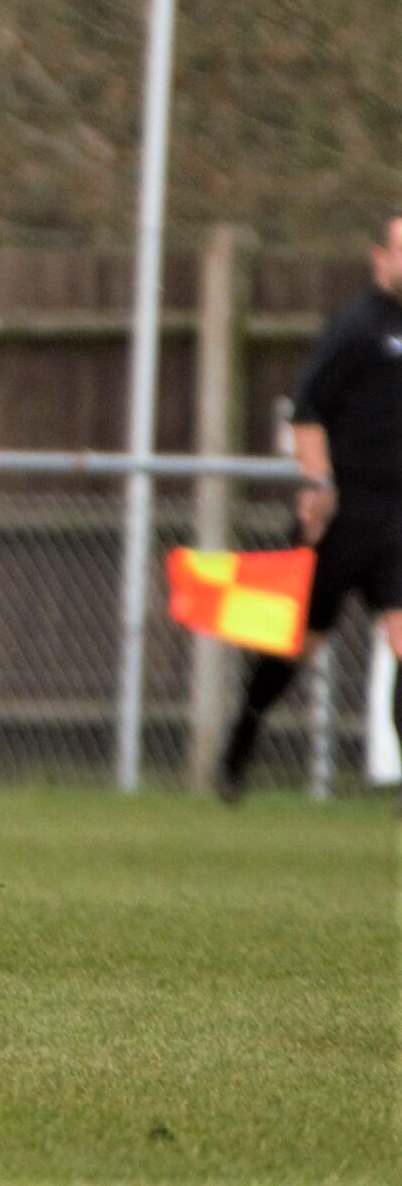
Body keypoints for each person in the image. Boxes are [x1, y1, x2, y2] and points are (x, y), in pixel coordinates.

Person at [218, 213, 402, 806]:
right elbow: (307, 411)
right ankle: (243, 735)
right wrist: (318, 482)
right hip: (341, 519)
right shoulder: (357, 328)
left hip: (397, 521)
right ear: (380, 258)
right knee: (296, 645)